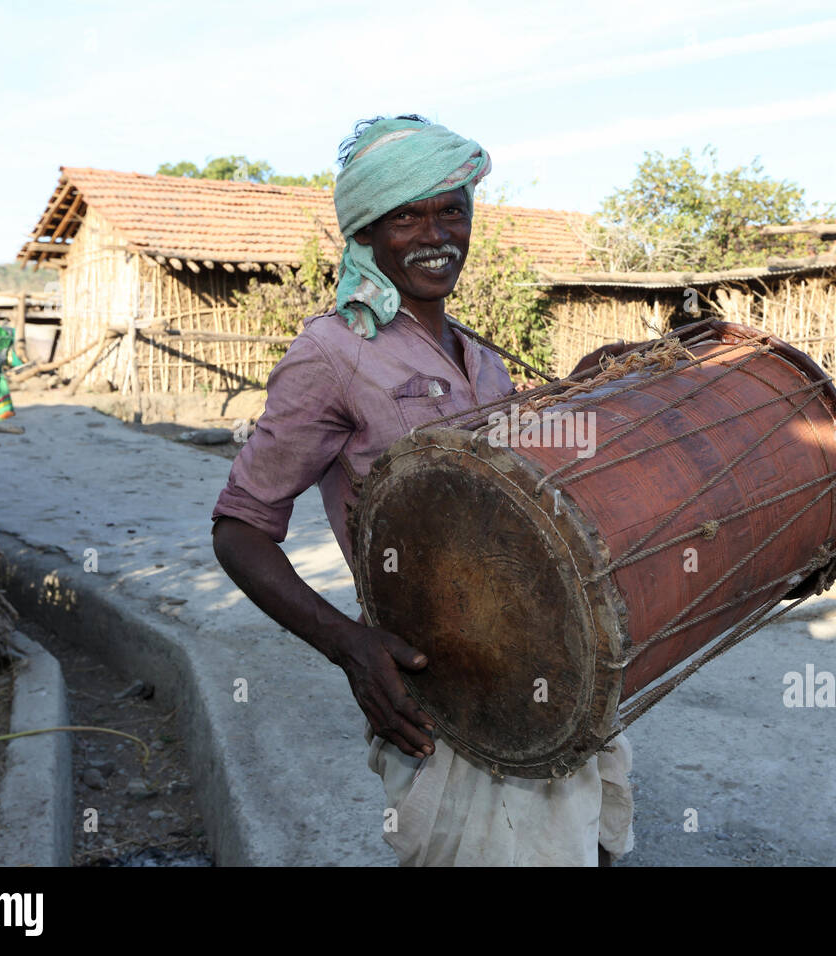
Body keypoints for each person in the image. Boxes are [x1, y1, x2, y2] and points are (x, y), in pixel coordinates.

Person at [211, 115, 634, 866]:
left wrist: (588, 395)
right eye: (406, 215)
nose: (435, 233)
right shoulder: (331, 353)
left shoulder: (482, 358)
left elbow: (520, 502)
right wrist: (348, 643)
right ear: (366, 232)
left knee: (583, 848)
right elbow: (240, 528)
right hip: (439, 691)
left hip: (544, 671)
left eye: (452, 210)